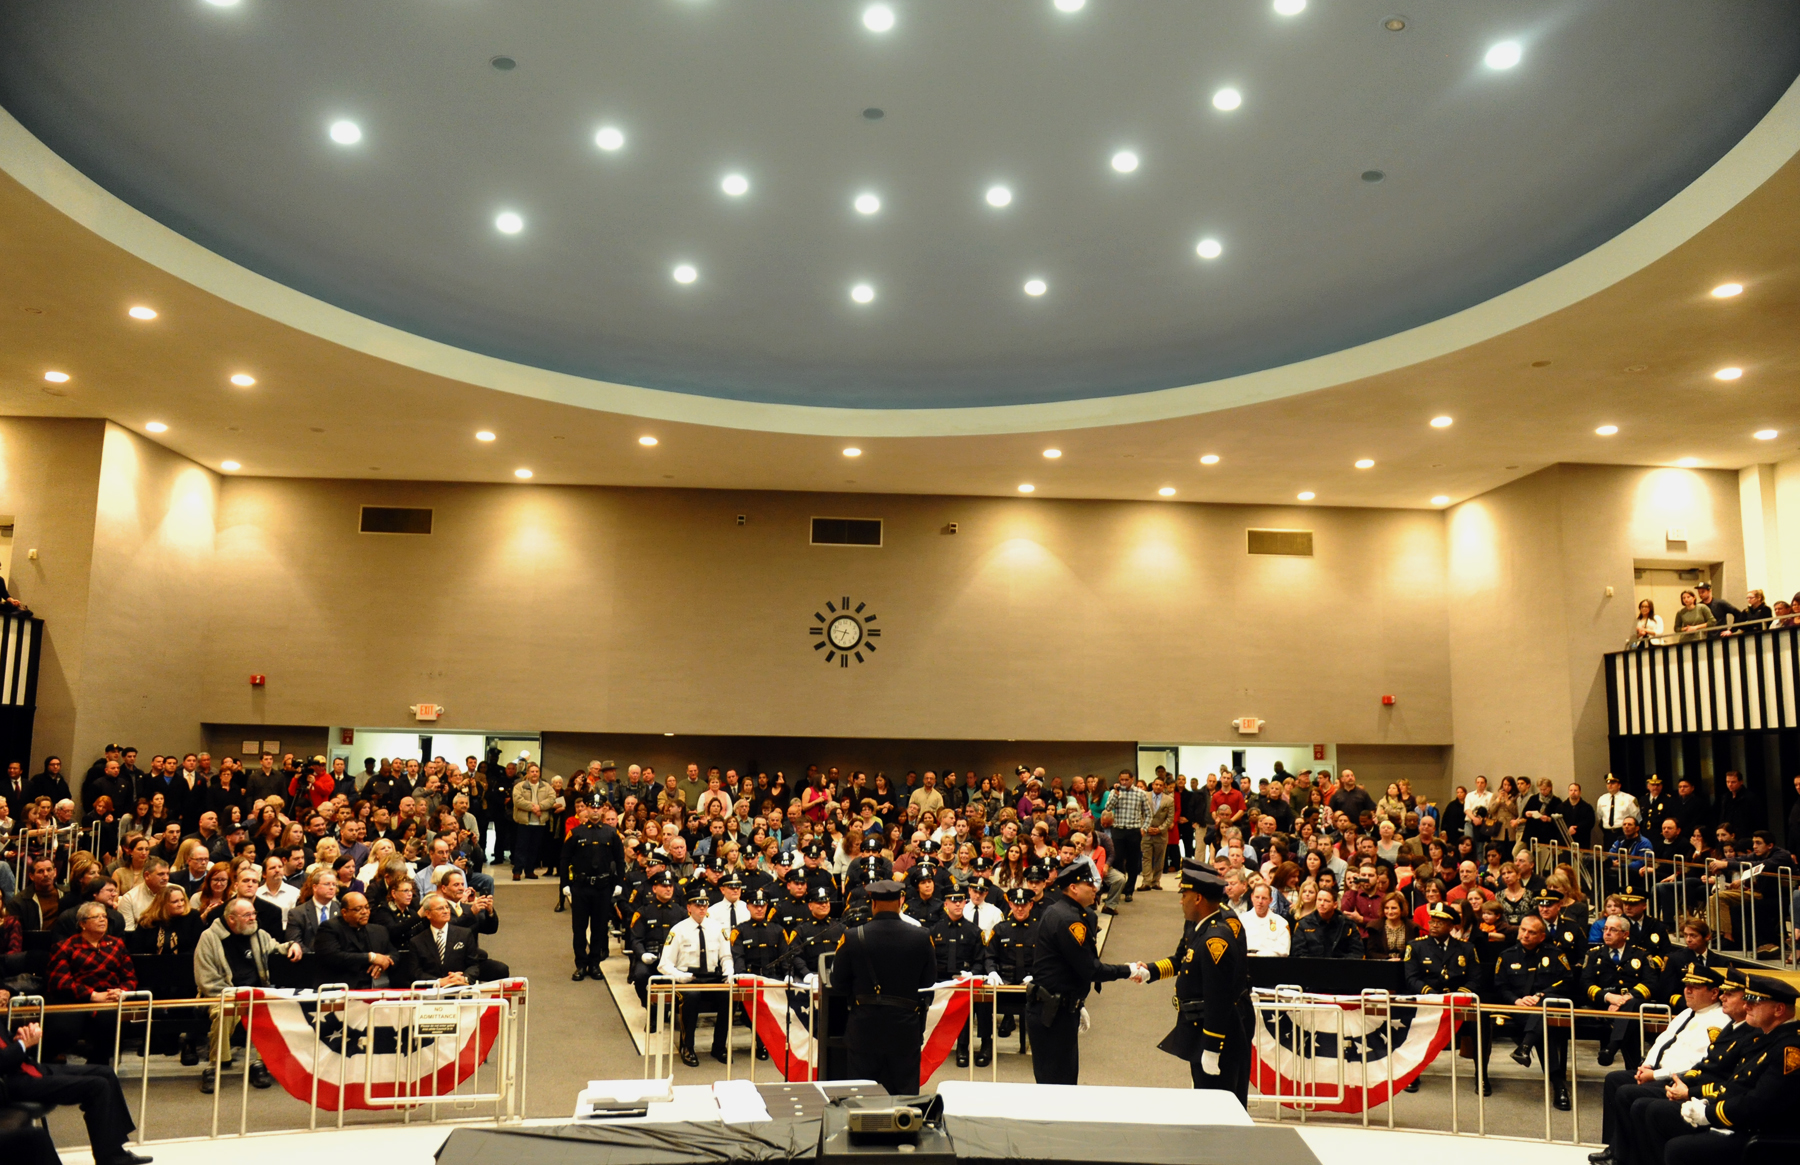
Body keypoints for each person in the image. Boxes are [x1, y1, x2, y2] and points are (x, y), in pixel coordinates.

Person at [1640, 973, 1800, 1165]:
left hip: (1764, 1135)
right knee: (1658, 1115)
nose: (1747, 1006)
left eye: (1755, 1002)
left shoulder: (1789, 1049)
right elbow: (1737, 1084)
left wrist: (1709, 1114)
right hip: (1742, 1121)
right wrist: (1707, 1102)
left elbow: (1759, 1103)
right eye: (1747, 999)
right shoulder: (1766, 1038)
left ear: (1779, 1009)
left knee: (1678, 1149)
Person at [1589, 965, 1727, 1165]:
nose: (1687, 990)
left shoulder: (1718, 1021)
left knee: (1628, 1092)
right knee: (1614, 1079)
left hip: (1679, 1078)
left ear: (1714, 993)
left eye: (1695, 987)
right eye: (1686, 985)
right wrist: (1647, 1066)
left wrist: (1654, 1076)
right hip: (1658, 1070)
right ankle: (1614, 1146)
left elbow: (1693, 1062)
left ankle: (1623, 1156)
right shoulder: (1686, 1013)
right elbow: (1662, 1041)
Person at [1026, 861, 1149, 1085]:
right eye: (1089, 883)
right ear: (1074, 888)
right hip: (1053, 1014)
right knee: (1057, 1085)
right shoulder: (1068, 920)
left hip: (1059, 1007)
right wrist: (1129, 969)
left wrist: (1078, 1001)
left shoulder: (1069, 913)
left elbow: (1067, 968)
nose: (1095, 888)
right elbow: (1090, 968)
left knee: (1063, 1079)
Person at [1144, 862, 1252, 1103]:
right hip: (1201, 1024)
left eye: (1184, 894)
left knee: (1221, 1102)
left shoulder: (1217, 938)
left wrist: (1213, 1045)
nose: (1180, 900)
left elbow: (1219, 996)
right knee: (1206, 1098)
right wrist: (1150, 971)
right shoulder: (1200, 926)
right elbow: (1184, 958)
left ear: (1198, 898)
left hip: (1219, 1026)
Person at [834, 879, 938, 1095]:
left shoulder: (853, 936)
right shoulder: (922, 936)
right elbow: (928, 981)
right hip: (904, 1024)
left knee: (861, 1092)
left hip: (864, 1024)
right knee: (904, 1090)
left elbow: (838, 983)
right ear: (901, 902)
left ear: (872, 903)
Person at [0, 1019, 148, 1165]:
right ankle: (108, 1158)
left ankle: (115, 1152)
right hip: (13, 1083)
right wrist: (23, 1044)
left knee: (106, 1073)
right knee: (98, 1086)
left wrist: (20, 1038)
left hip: (29, 1068)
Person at [193, 898, 302, 1093]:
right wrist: (235, 996)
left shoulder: (258, 934)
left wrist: (292, 945)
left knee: (270, 1011)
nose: (253, 918)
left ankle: (259, 1064)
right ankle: (216, 1065)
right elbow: (206, 980)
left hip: (256, 994)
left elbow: (276, 947)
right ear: (231, 919)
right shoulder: (209, 938)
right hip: (222, 995)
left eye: (254, 914)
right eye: (248, 915)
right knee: (224, 1012)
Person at [1486, 914, 1573, 1107]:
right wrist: (1516, 1000)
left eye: (1531, 932)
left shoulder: (1555, 954)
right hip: (1519, 1009)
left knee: (1543, 1012)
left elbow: (1567, 981)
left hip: (1547, 1006)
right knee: (1544, 1030)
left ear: (1541, 936)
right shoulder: (1507, 956)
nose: (1525, 935)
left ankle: (1525, 1047)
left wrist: (1542, 995)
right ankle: (1559, 1086)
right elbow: (1500, 986)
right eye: (1523, 930)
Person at [929, 888, 994, 1067]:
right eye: (953, 900)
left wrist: (972, 974)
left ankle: (985, 1043)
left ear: (965, 903)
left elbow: (980, 960)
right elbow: (929, 959)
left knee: (982, 997)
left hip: (965, 980)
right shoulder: (935, 930)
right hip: (941, 982)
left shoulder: (974, 931)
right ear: (946, 904)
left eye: (961, 901)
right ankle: (962, 1046)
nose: (958, 904)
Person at [563, 796, 623, 981]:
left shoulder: (611, 833)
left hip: (603, 887)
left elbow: (619, 860)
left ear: (603, 810)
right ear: (586, 810)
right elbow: (564, 859)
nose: (595, 811)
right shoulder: (576, 833)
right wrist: (565, 884)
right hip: (581, 887)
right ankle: (581, 964)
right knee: (579, 929)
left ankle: (595, 963)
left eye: (598, 807)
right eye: (592, 807)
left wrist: (619, 882)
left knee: (599, 928)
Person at [411, 892, 508, 986]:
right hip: (431, 993)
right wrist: (439, 981)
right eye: (440, 908)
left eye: (447, 907)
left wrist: (464, 978)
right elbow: (415, 972)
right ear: (428, 914)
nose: (445, 911)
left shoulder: (464, 934)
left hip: (461, 988)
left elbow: (473, 965)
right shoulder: (417, 941)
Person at [313, 892, 396, 990]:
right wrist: (371, 957)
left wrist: (385, 961)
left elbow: (394, 953)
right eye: (358, 909)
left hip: (374, 986)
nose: (364, 912)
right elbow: (333, 956)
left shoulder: (379, 930)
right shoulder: (330, 928)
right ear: (344, 912)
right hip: (340, 988)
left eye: (367, 907)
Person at [1291, 889, 1363, 958]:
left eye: (1326, 901)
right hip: (1311, 968)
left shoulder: (1347, 924)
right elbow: (1298, 953)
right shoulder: (1304, 924)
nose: (1322, 903)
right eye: (1319, 900)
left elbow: (1357, 953)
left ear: (1335, 905)